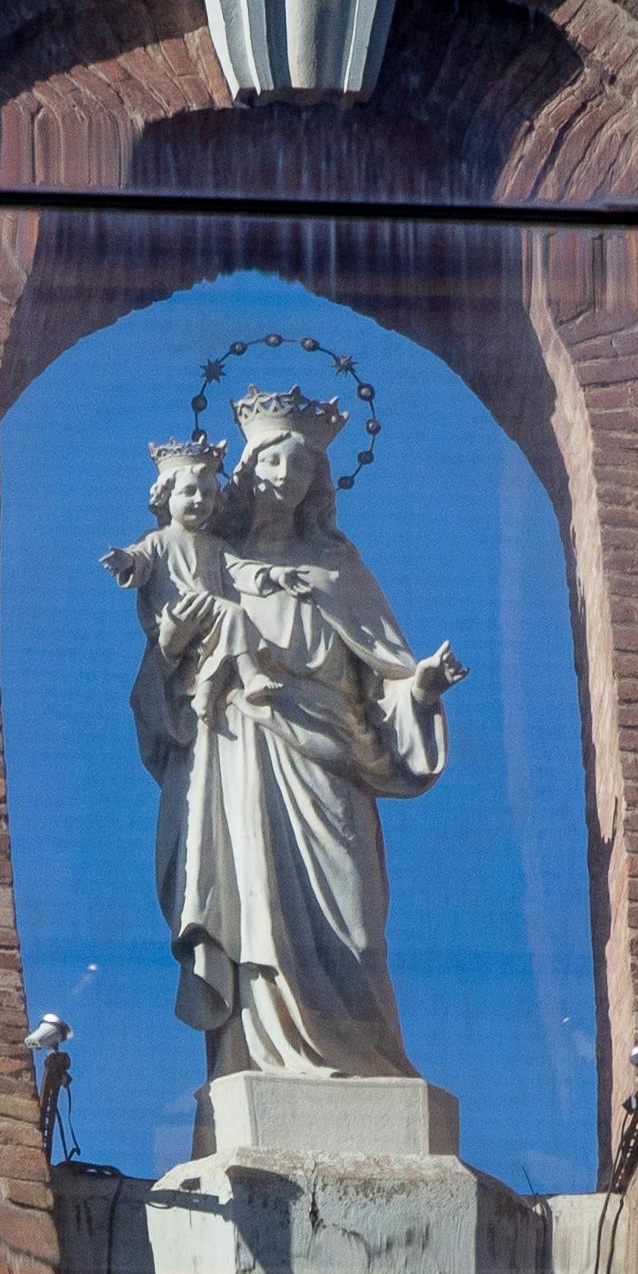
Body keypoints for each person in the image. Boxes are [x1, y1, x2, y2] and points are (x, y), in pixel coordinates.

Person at [112, 382, 464, 1089]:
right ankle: (260, 1062)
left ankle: (368, 1069)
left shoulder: (339, 570)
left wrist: (419, 687)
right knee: (256, 917)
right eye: (273, 461)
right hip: (240, 754)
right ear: (247, 468)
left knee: (356, 933)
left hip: (331, 759)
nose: (284, 476)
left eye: (300, 467)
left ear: (317, 483)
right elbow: (162, 669)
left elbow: (385, 673)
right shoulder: (209, 561)